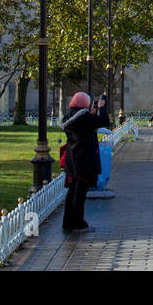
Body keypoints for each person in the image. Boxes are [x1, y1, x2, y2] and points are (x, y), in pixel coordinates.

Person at [60, 92, 110, 232]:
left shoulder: (69, 116)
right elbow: (103, 121)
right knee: (80, 191)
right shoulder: (84, 117)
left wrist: (92, 114)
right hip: (84, 157)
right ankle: (78, 223)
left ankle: (68, 222)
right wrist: (101, 108)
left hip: (72, 156)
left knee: (72, 190)